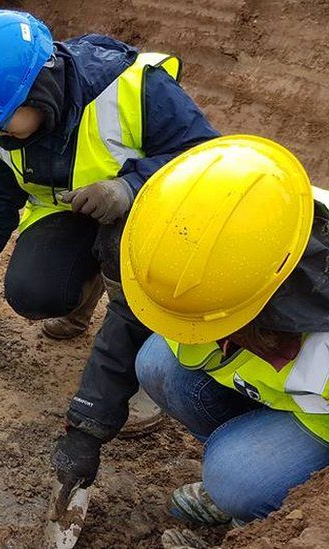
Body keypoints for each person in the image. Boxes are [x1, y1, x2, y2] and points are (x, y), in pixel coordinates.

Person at [0, 9, 220, 490]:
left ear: (37, 89)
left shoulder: (131, 87)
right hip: (75, 215)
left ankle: (146, 370)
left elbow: (208, 156)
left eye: (3, 121)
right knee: (33, 292)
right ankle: (83, 301)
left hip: (154, 219)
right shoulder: (1, 128)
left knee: (133, 257)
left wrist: (130, 186)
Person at [123, 136, 329, 525]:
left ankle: (263, 510)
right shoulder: (252, 216)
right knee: (158, 363)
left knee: (236, 480)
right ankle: (245, 479)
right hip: (279, 384)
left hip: (321, 418)